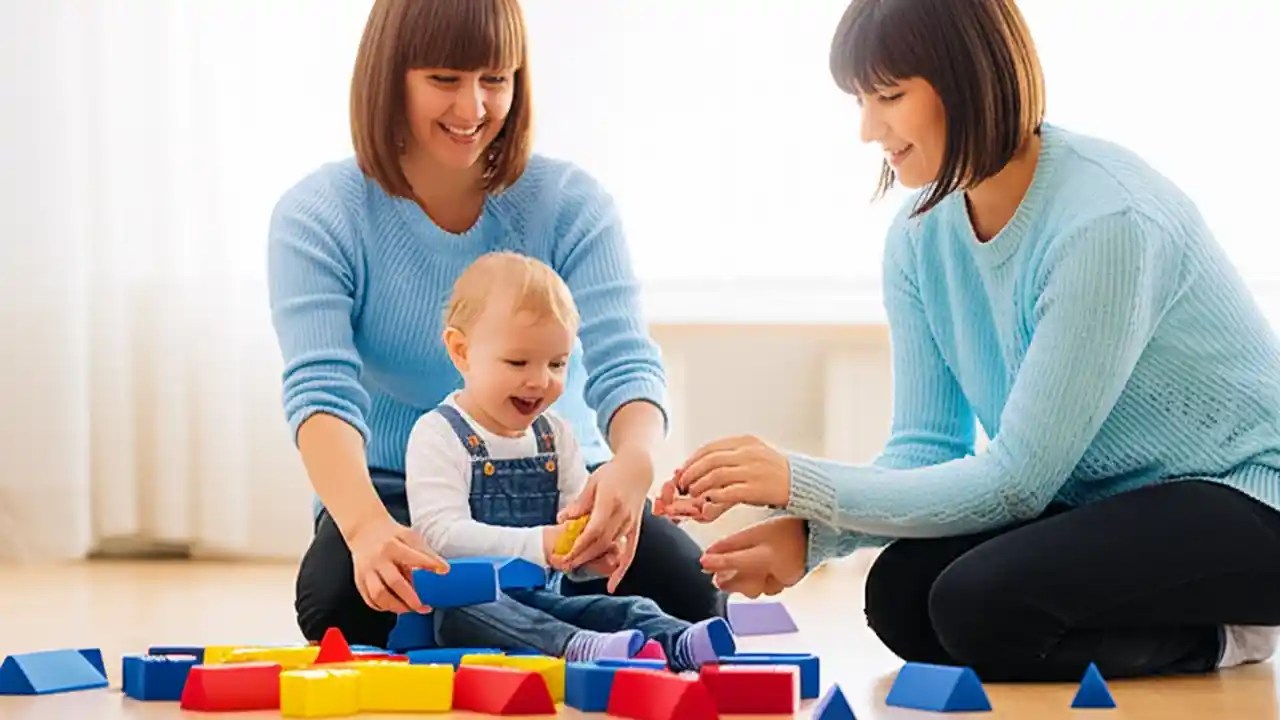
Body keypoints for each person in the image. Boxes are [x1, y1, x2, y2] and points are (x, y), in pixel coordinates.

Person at [657, 0, 1280, 684]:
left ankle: (1230, 633)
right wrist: (814, 537)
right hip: (1110, 504)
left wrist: (797, 482)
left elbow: (1017, 481)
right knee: (901, 596)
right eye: (862, 100)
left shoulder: (1106, 222)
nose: (870, 129)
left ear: (969, 79)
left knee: (979, 604)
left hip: (1245, 500)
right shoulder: (920, 237)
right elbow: (926, 448)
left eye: (889, 96)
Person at [266, 0, 722, 649]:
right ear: (390, 76)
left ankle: (519, 628)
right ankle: (554, 631)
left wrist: (633, 464)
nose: (473, 109)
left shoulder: (571, 204)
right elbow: (321, 395)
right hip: (399, 491)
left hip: (564, 489)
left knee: (692, 593)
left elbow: (627, 365)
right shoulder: (319, 216)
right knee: (343, 603)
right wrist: (366, 528)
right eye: (445, 80)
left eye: (496, 79)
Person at [402, 252, 737, 666]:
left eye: (557, 363)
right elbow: (439, 537)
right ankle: (573, 646)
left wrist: (590, 553)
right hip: (471, 605)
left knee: (630, 607)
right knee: (469, 609)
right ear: (461, 351)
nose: (540, 380)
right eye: (517, 361)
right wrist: (539, 544)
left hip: (546, 601)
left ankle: (679, 642)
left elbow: (570, 537)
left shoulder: (556, 436)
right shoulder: (439, 434)